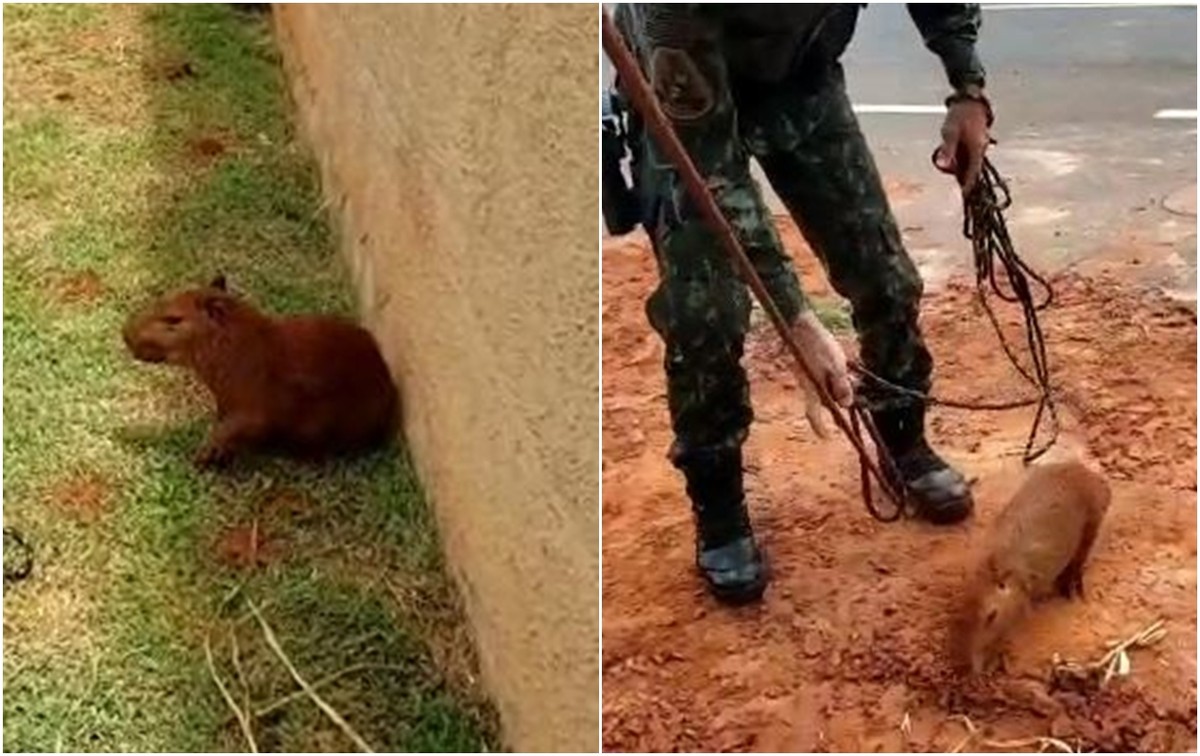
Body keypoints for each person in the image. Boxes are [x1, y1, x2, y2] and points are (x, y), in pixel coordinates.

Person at [604, 4, 994, 604]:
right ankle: (720, 508)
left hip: (801, 81)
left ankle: (903, 440)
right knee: (704, 315)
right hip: (682, 103)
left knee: (887, 278)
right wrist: (796, 320)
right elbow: (711, 175)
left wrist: (967, 88)